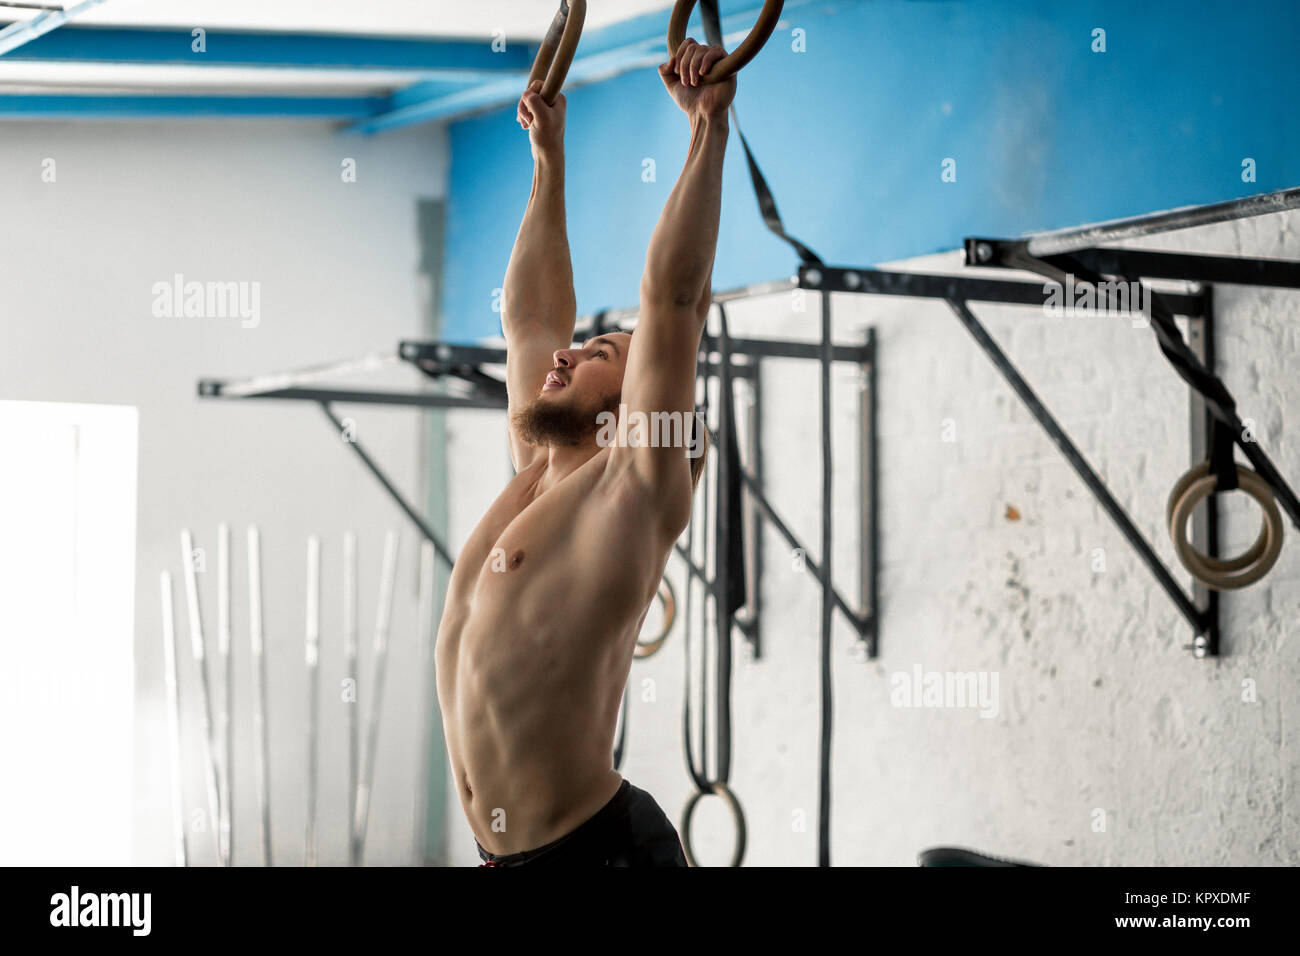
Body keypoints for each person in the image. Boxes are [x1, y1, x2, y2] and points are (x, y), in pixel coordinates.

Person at [433, 37, 735, 867]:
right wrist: (547, 161)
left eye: (595, 355)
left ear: (627, 410)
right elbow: (529, 320)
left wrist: (708, 127)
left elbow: (673, 299)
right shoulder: (538, 474)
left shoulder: (630, 489)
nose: (564, 357)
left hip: (594, 857)